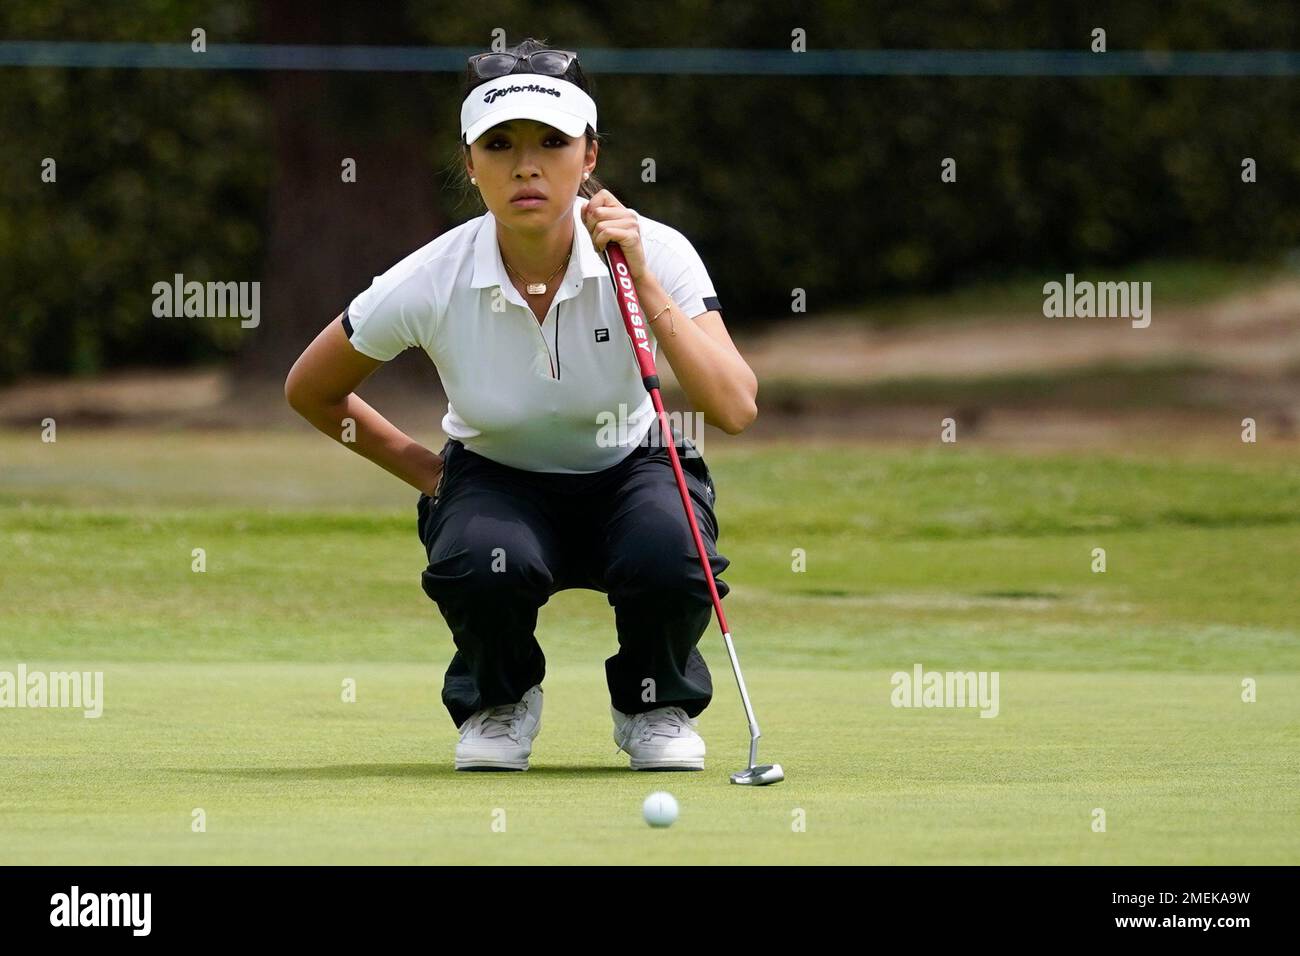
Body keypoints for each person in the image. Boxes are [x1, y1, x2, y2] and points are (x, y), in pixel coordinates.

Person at [284, 37, 758, 773]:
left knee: (670, 552)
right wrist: (426, 472)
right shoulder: (431, 276)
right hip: (496, 477)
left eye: (551, 142)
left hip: (632, 467)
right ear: (470, 162)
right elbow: (310, 389)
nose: (526, 165)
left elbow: (733, 407)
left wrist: (644, 284)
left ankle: (652, 705)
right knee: (480, 562)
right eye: (499, 144)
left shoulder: (655, 251)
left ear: (590, 155)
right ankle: (498, 702)